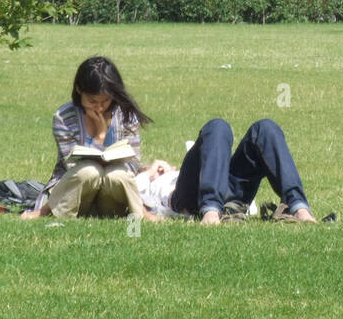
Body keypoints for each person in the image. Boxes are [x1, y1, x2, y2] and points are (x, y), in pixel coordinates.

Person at [22, 56, 150, 220]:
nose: (99, 107)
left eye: (105, 101)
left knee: (118, 174)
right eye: (92, 101)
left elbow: (133, 163)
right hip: (77, 192)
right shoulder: (64, 117)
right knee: (89, 172)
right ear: (78, 90)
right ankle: (56, 213)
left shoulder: (126, 115)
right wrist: (100, 136)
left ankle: (139, 215)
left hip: (112, 195)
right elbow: (71, 165)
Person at [134, 118, 317, 225]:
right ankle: (211, 212)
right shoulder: (144, 182)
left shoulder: (173, 173)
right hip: (192, 198)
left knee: (265, 128)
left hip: (228, 192)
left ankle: (298, 207)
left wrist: (169, 169)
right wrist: (149, 172)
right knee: (217, 127)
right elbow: (129, 188)